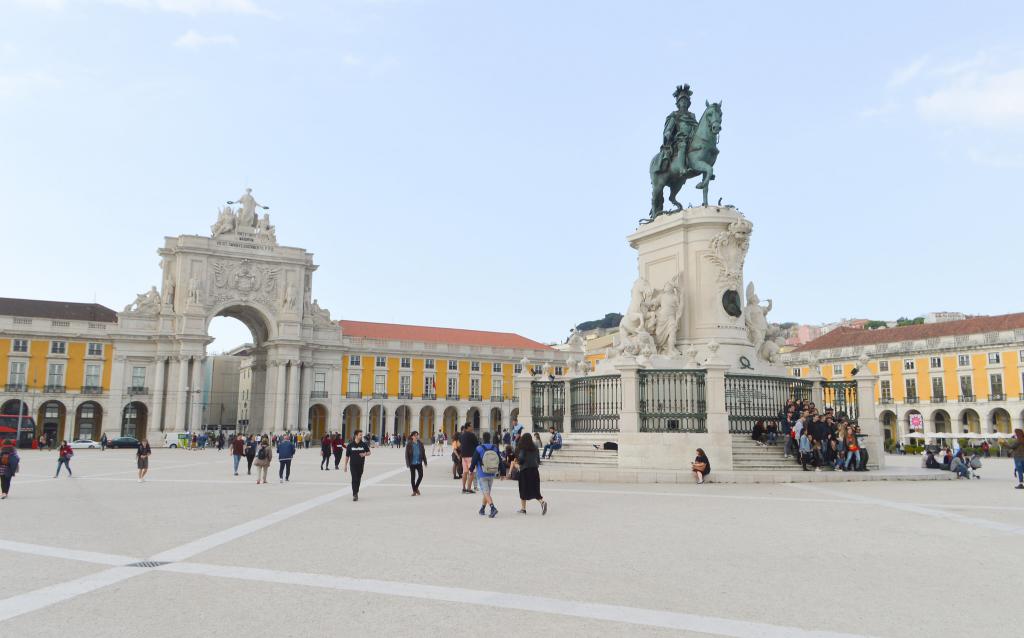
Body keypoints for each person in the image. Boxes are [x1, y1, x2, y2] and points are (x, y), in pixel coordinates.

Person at [511, 432, 547, 514]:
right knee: (535, 489)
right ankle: (542, 502)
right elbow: (538, 460)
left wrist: (517, 464)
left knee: (523, 488)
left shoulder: (523, 448)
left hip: (525, 471)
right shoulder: (535, 448)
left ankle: (523, 509)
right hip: (534, 470)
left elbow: (521, 459)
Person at [469, 432, 502, 518]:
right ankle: (482, 508)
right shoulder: (495, 447)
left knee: (486, 492)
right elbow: (500, 460)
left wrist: (471, 470)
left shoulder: (479, 448)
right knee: (487, 492)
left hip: (482, 473)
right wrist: (503, 472)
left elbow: (474, 460)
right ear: (490, 438)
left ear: (482, 438)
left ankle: (493, 508)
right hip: (492, 472)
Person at [344, 429, 370, 501]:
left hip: (361, 465)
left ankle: (356, 491)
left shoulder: (364, 444)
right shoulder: (350, 445)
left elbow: (369, 452)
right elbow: (347, 456)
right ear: (356, 435)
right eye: (360, 435)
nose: (361, 436)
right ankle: (354, 494)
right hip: (352, 465)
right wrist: (345, 465)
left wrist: (364, 454)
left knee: (358, 479)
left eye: (361, 435)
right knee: (354, 479)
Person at [458, 424, 479, 495]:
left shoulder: (462, 435)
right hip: (470, 456)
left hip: (463, 456)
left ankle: (463, 488)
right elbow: (477, 444)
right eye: (471, 426)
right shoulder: (472, 435)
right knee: (472, 473)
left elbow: (460, 444)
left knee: (465, 472)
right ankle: (469, 488)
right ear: (468, 427)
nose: (472, 427)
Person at [405, 431, 427, 496]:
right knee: (413, 478)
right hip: (412, 463)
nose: (416, 436)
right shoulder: (409, 444)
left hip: (419, 462)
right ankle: (414, 491)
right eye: (415, 435)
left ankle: (416, 488)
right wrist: (408, 463)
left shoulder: (420, 443)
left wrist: (425, 461)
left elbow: (423, 453)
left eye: (417, 435)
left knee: (421, 475)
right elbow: (406, 455)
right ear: (412, 436)